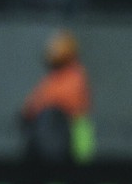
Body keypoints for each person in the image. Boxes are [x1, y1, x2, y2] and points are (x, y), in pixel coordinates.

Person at [19, 30, 93, 163]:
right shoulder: (52, 78)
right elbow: (31, 106)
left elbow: (63, 102)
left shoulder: (75, 76)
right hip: (49, 140)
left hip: (70, 135)